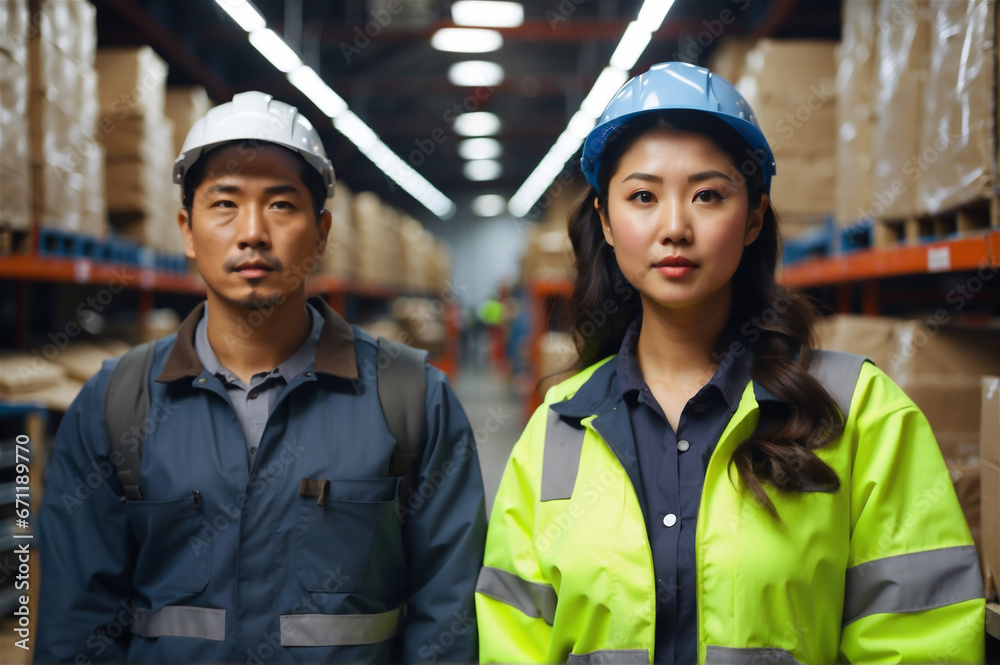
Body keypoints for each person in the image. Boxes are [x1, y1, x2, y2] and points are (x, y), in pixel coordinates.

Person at [475, 62, 984, 663]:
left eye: (708, 195)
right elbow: (516, 640)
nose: (674, 227)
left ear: (754, 217)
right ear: (607, 222)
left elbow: (920, 638)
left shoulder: (861, 414)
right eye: (643, 196)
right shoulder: (555, 431)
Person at [35, 91, 486, 662]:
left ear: (321, 234)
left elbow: (447, 617)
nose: (252, 232)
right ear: (187, 230)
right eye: (224, 204)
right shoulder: (117, 403)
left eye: (280, 205)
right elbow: (75, 623)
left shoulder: (411, 399)